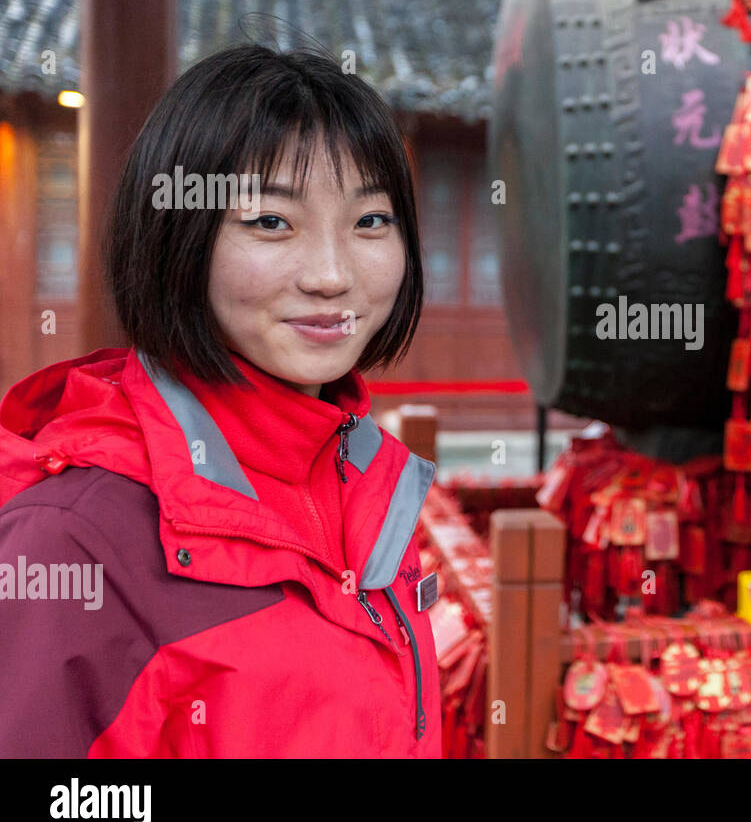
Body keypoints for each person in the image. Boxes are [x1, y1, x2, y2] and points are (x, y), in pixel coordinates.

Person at [0, 45, 441, 756]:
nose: (332, 275)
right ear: (178, 238)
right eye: (271, 222)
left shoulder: (368, 481)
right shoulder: (75, 540)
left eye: (370, 222)